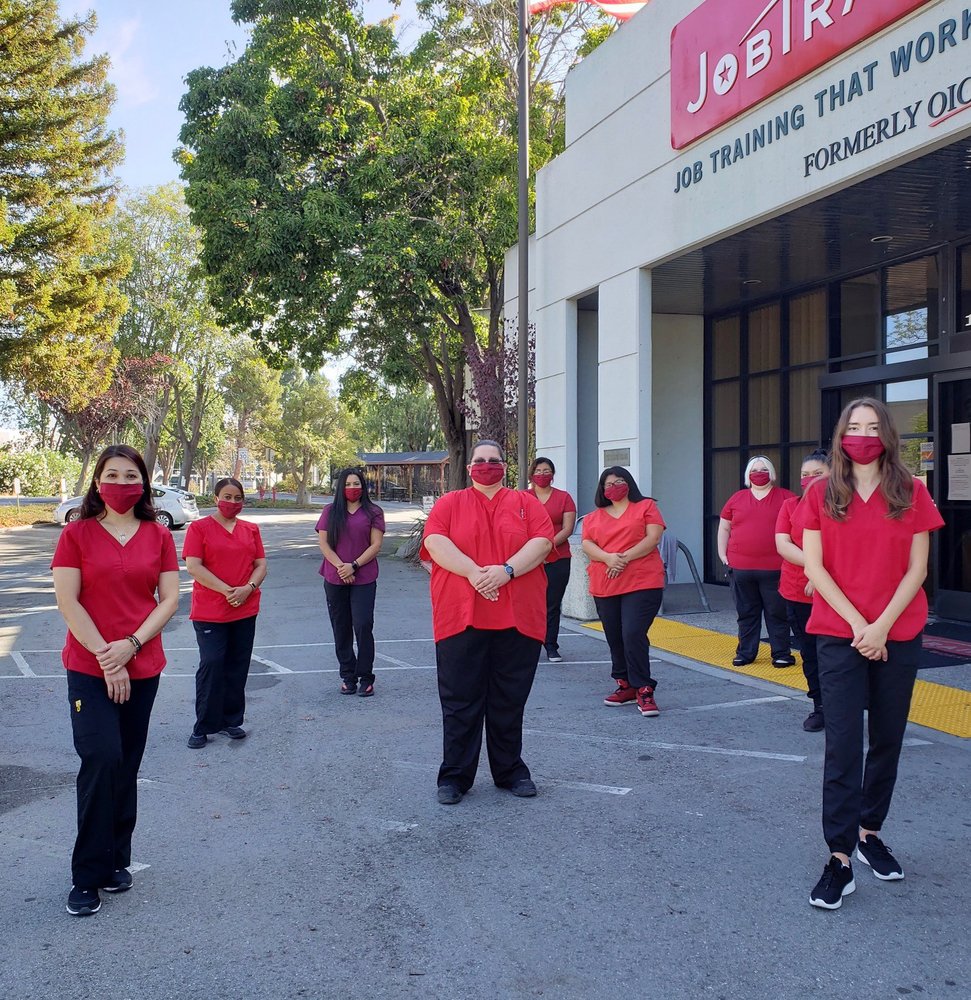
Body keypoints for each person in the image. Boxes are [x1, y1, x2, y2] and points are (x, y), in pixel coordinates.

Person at [795, 398, 943, 910]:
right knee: (842, 745)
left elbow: (917, 569)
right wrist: (860, 625)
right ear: (841, 435)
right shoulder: (820, 492)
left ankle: (869, 833)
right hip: (840, 634)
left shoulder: (912, 491)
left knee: (887, 738)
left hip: (896, 633)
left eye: (872, 426)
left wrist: (881, 626)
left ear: (887, 435)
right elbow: (814, 566)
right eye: (853, 426)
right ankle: (838, 857)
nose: (862, 434)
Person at [51, 445, 180, 916]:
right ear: (97, 482)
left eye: (131, 476)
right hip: (89, 667)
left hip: (142, 664)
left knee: (126, 762)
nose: (121, 484)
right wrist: (109, 658)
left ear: (144, 484)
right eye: (112, 475)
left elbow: (168, 599)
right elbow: (69, 602)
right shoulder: (77, 535)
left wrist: (131, 645)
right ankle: (86, 875)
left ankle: (114, 860)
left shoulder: (158, 535)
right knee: (101, 758)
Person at [422, 440, 553, 804]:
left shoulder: (527, 503)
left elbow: (542, 543)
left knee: (508, 700)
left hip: (517, 618)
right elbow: (435, 542)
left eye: (493, 460)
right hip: (460, 617)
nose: (486, 465)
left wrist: (506, 572)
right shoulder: (450, 503)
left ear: (505, 466)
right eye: (479, 460)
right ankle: (454, 777)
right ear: (468, 468)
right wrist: (478, 575)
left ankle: (510, 771)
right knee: (459, 701)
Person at [182, 477, 267, 748]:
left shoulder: (250, 530)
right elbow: (194, 566)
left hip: (245, 608)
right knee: (212, 662)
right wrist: (228, 590)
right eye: (227, 497)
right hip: (211, 611)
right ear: (216, 497)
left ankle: (231, 720)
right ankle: (203, 725)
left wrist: (248, 588)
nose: (232, 502)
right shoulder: (199, 528)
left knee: (237, 664)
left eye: (238, 498)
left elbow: (261, 565)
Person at [581, 467, 666, 717]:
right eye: (608, 484)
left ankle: (644, 687)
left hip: (642, 581)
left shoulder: (646, 507)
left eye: (619, 481)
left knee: (633, 632)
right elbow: (587, 544)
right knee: (615, 635)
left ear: (629, 483)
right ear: (602, 490)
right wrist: (608, 558)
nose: (614, 487)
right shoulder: (593, 517)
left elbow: (653, 537)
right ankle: (625, 684)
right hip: (605, 582)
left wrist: (622, 559)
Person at [717, 457, 796, 667]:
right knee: (746, 613)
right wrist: (722, 554)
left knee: (777, 613)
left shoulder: (787, 498)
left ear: (772, 473)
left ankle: (781, 653)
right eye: (755, 470)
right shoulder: (736, 498)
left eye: (763, 469)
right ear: (747, 475)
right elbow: (724, 527)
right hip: (741, 568)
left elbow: (799, 527)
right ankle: (745, 652)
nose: (759, 473)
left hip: (777, 569)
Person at [316, 468, 385, 697]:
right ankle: (348, 675)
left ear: (363, 487)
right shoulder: (330, 511)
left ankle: (366, 676)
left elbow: (375, 545)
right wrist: (341, 568)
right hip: (334, 577)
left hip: (364, 577)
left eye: (357, 484)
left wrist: (353, 565)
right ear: (340, 487)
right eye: (348, 484)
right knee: (341, 627)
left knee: (363, 625)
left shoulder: (374, 512)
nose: (353, 488)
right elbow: (324, 545)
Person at [775, 450, 830, 733]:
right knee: (810, 653)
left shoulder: (843, 505)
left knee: (840, 654)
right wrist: (814, 569)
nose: (809, 480)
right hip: (798, 592)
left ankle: (848, 705)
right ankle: (820, 706)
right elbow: (783, 544)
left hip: (838, 594)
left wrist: (821, 576)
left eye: (817, 474)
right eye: (804, 475)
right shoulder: (790, 506)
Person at [527, 456, 577, 662]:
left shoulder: (564, 498)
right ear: (531, 475)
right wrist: (534, 552)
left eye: (546, 471)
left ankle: (550, 645)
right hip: (528, 559)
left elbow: (567, 528)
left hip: (558, 558)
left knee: (552, 604)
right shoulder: (522, 497)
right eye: (538, 471)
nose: (542, 475)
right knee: (529, 603)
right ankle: (528, 645)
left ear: (553, 475)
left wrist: (547, 548)